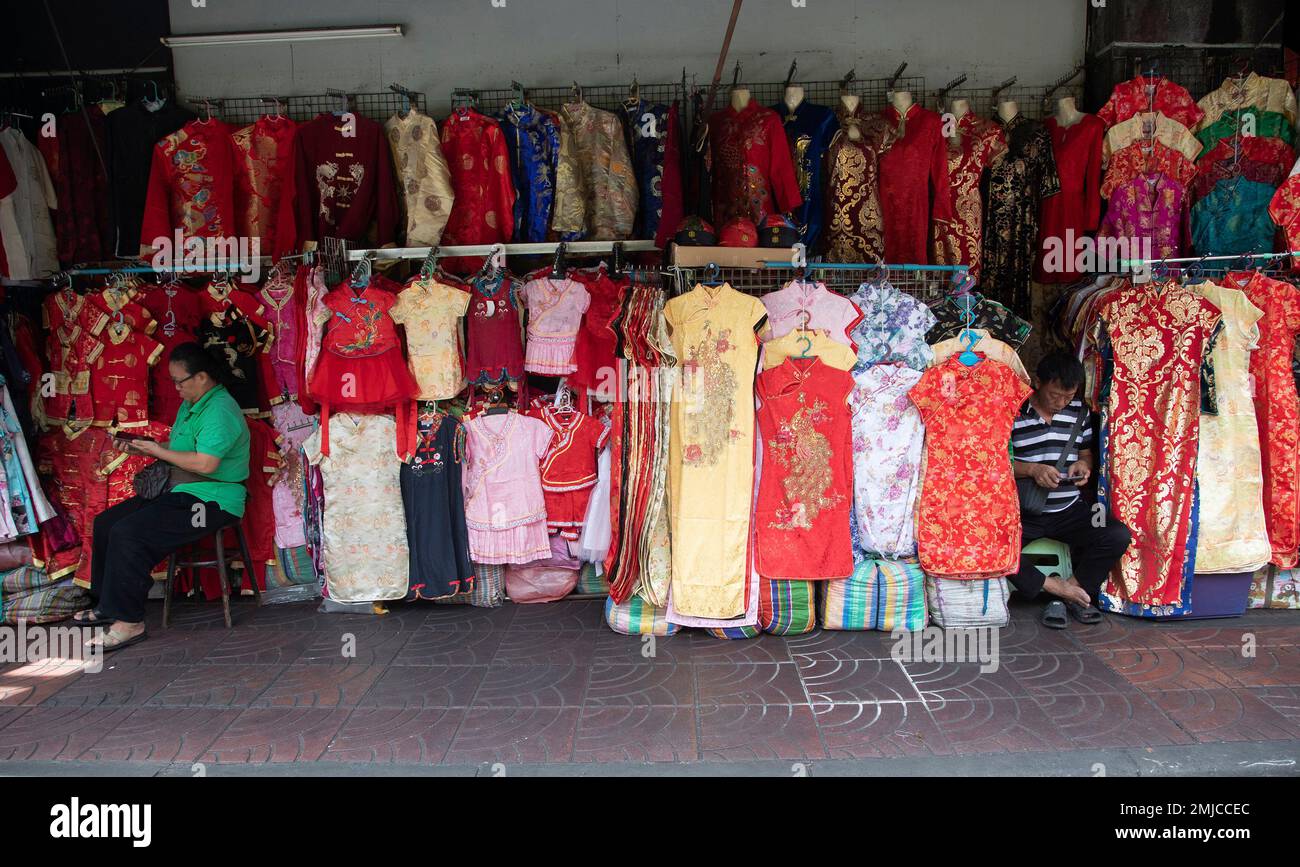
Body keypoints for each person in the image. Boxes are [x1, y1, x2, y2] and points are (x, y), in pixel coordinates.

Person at [76, 342, 250, 651]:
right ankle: (108, 605)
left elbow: (207, 464)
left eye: (179, 381)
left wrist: (157, 450)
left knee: (129, 533)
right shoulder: (191, 404)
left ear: (202, 377)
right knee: (106, 523)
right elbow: (179, 447)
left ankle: (129, 622)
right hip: (180, 488)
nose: (176, 388)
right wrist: (141, 447)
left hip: (212, 501)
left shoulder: (220, 410)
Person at [1010, 350, 1131, 628]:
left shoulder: (1079, 413)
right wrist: (1031, 470)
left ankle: (1072, 589)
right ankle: (1056, 588)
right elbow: (997, 461)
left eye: (1068, 396)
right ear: (1038, 382)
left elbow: (1086, 452)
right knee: (994, 547)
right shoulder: (1013, 412)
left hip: (1070, 509)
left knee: (1115, 533)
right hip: (1024, 512)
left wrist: (1083, 466)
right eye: (1055, 395)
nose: (1061, 403)